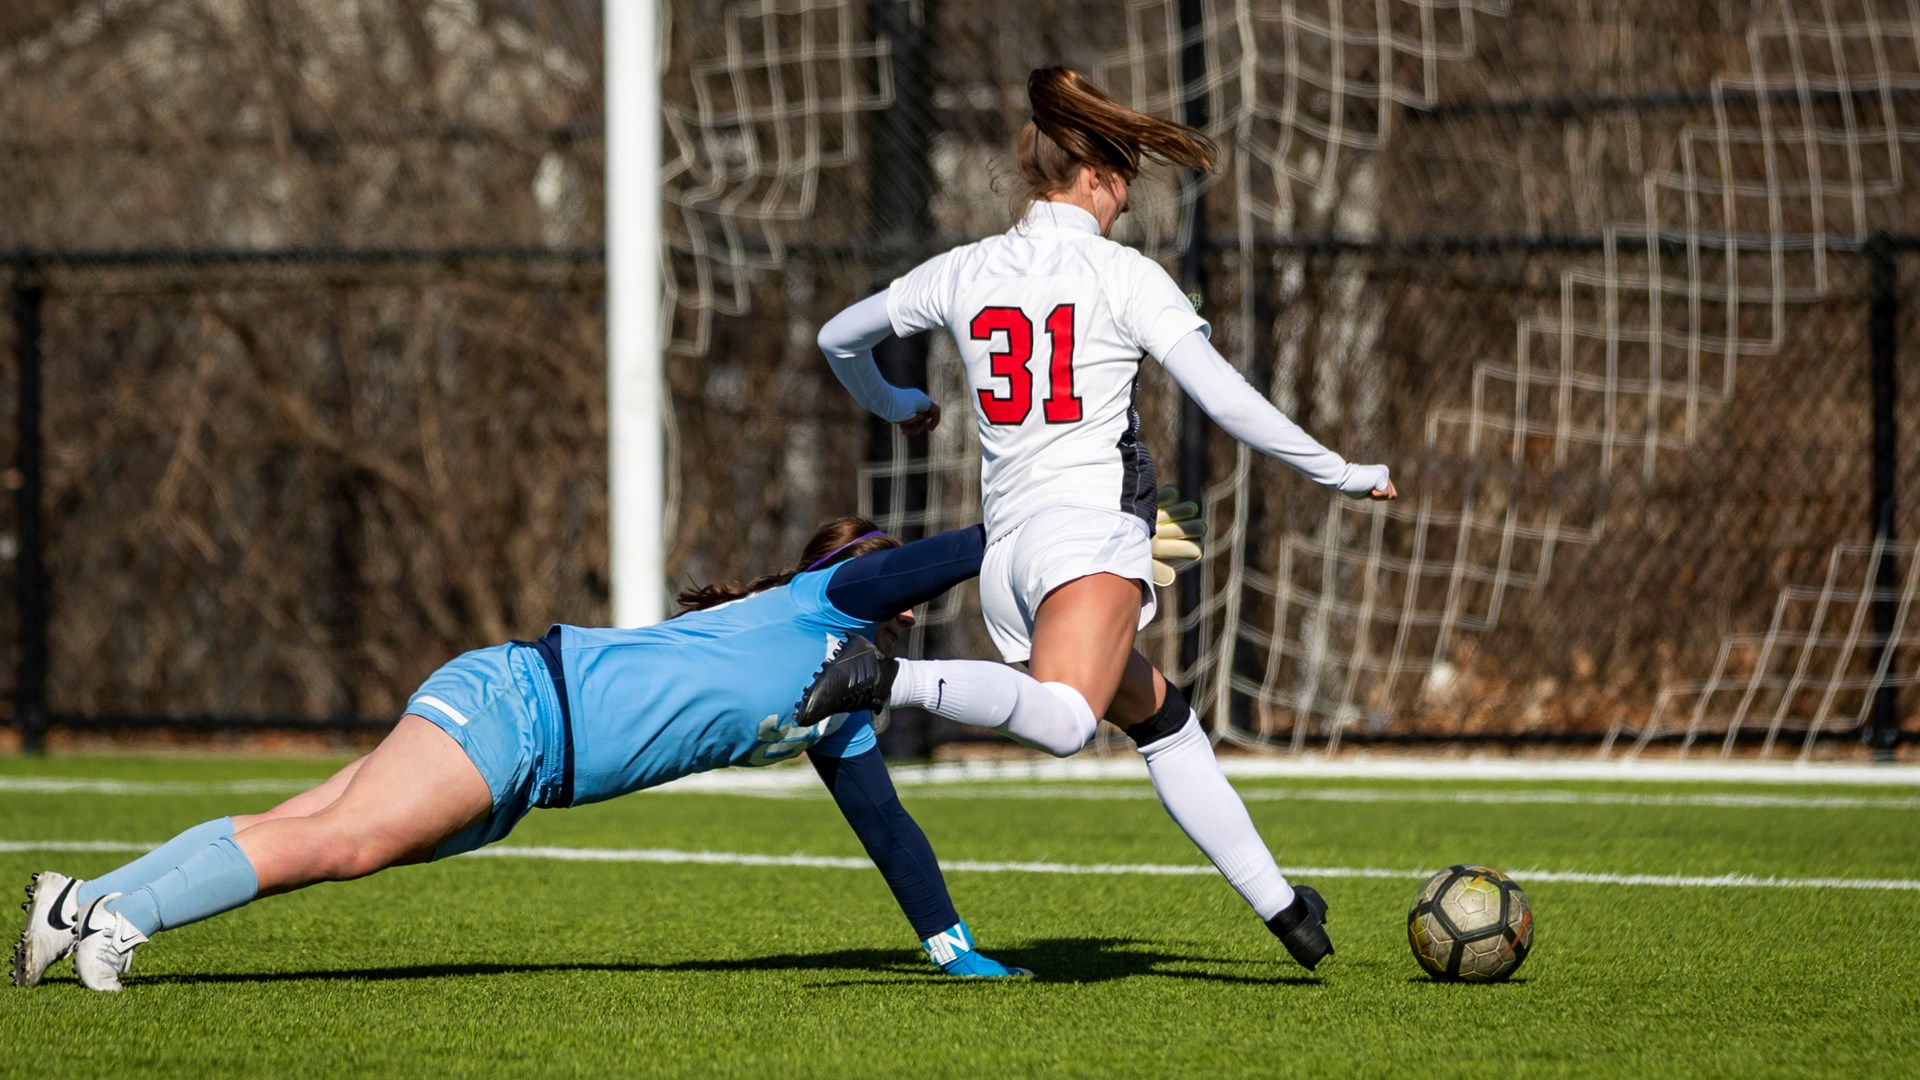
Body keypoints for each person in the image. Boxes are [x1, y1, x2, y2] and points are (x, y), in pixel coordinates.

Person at [805, 66, 1398, 972]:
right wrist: (1342, 471)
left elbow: (837, 336)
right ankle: (889, 680)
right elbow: (1226, 400)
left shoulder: (965, 268)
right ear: (1098, 178)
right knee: (1067, 723)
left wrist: (894, 404)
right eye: (1125, 185)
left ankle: (1285, 910)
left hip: (1010, 561)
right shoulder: (1125, 275)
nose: (1125, 204)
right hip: (1086, 543)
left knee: (1159, 715)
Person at [11, 519, 1030, 992]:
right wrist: (1059, 526)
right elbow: (953, 553)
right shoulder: (822, 602)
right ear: (853, 577)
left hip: (528, 746)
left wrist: (951, 947)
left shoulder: (841, 707)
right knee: (343, 844)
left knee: (299, 830)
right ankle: (124, 925)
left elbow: (889, 831)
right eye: (888, 573)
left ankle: (75, 903)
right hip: (522, 709)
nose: (903, 599)